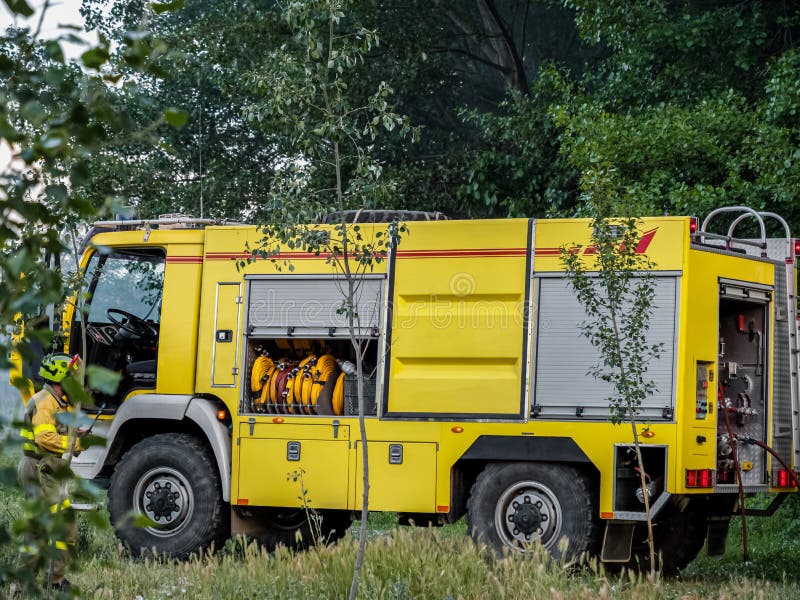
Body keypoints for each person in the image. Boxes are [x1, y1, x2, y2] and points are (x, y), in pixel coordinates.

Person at [17, 353, 84, 594]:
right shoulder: (46, 401)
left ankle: (30, 583)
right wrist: (73, 443)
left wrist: (76, 436)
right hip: (40, 470)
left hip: (42, 469)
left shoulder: (55, 401)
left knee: (40, 530)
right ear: (60, 378)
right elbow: (44, 438)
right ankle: (49, 583)